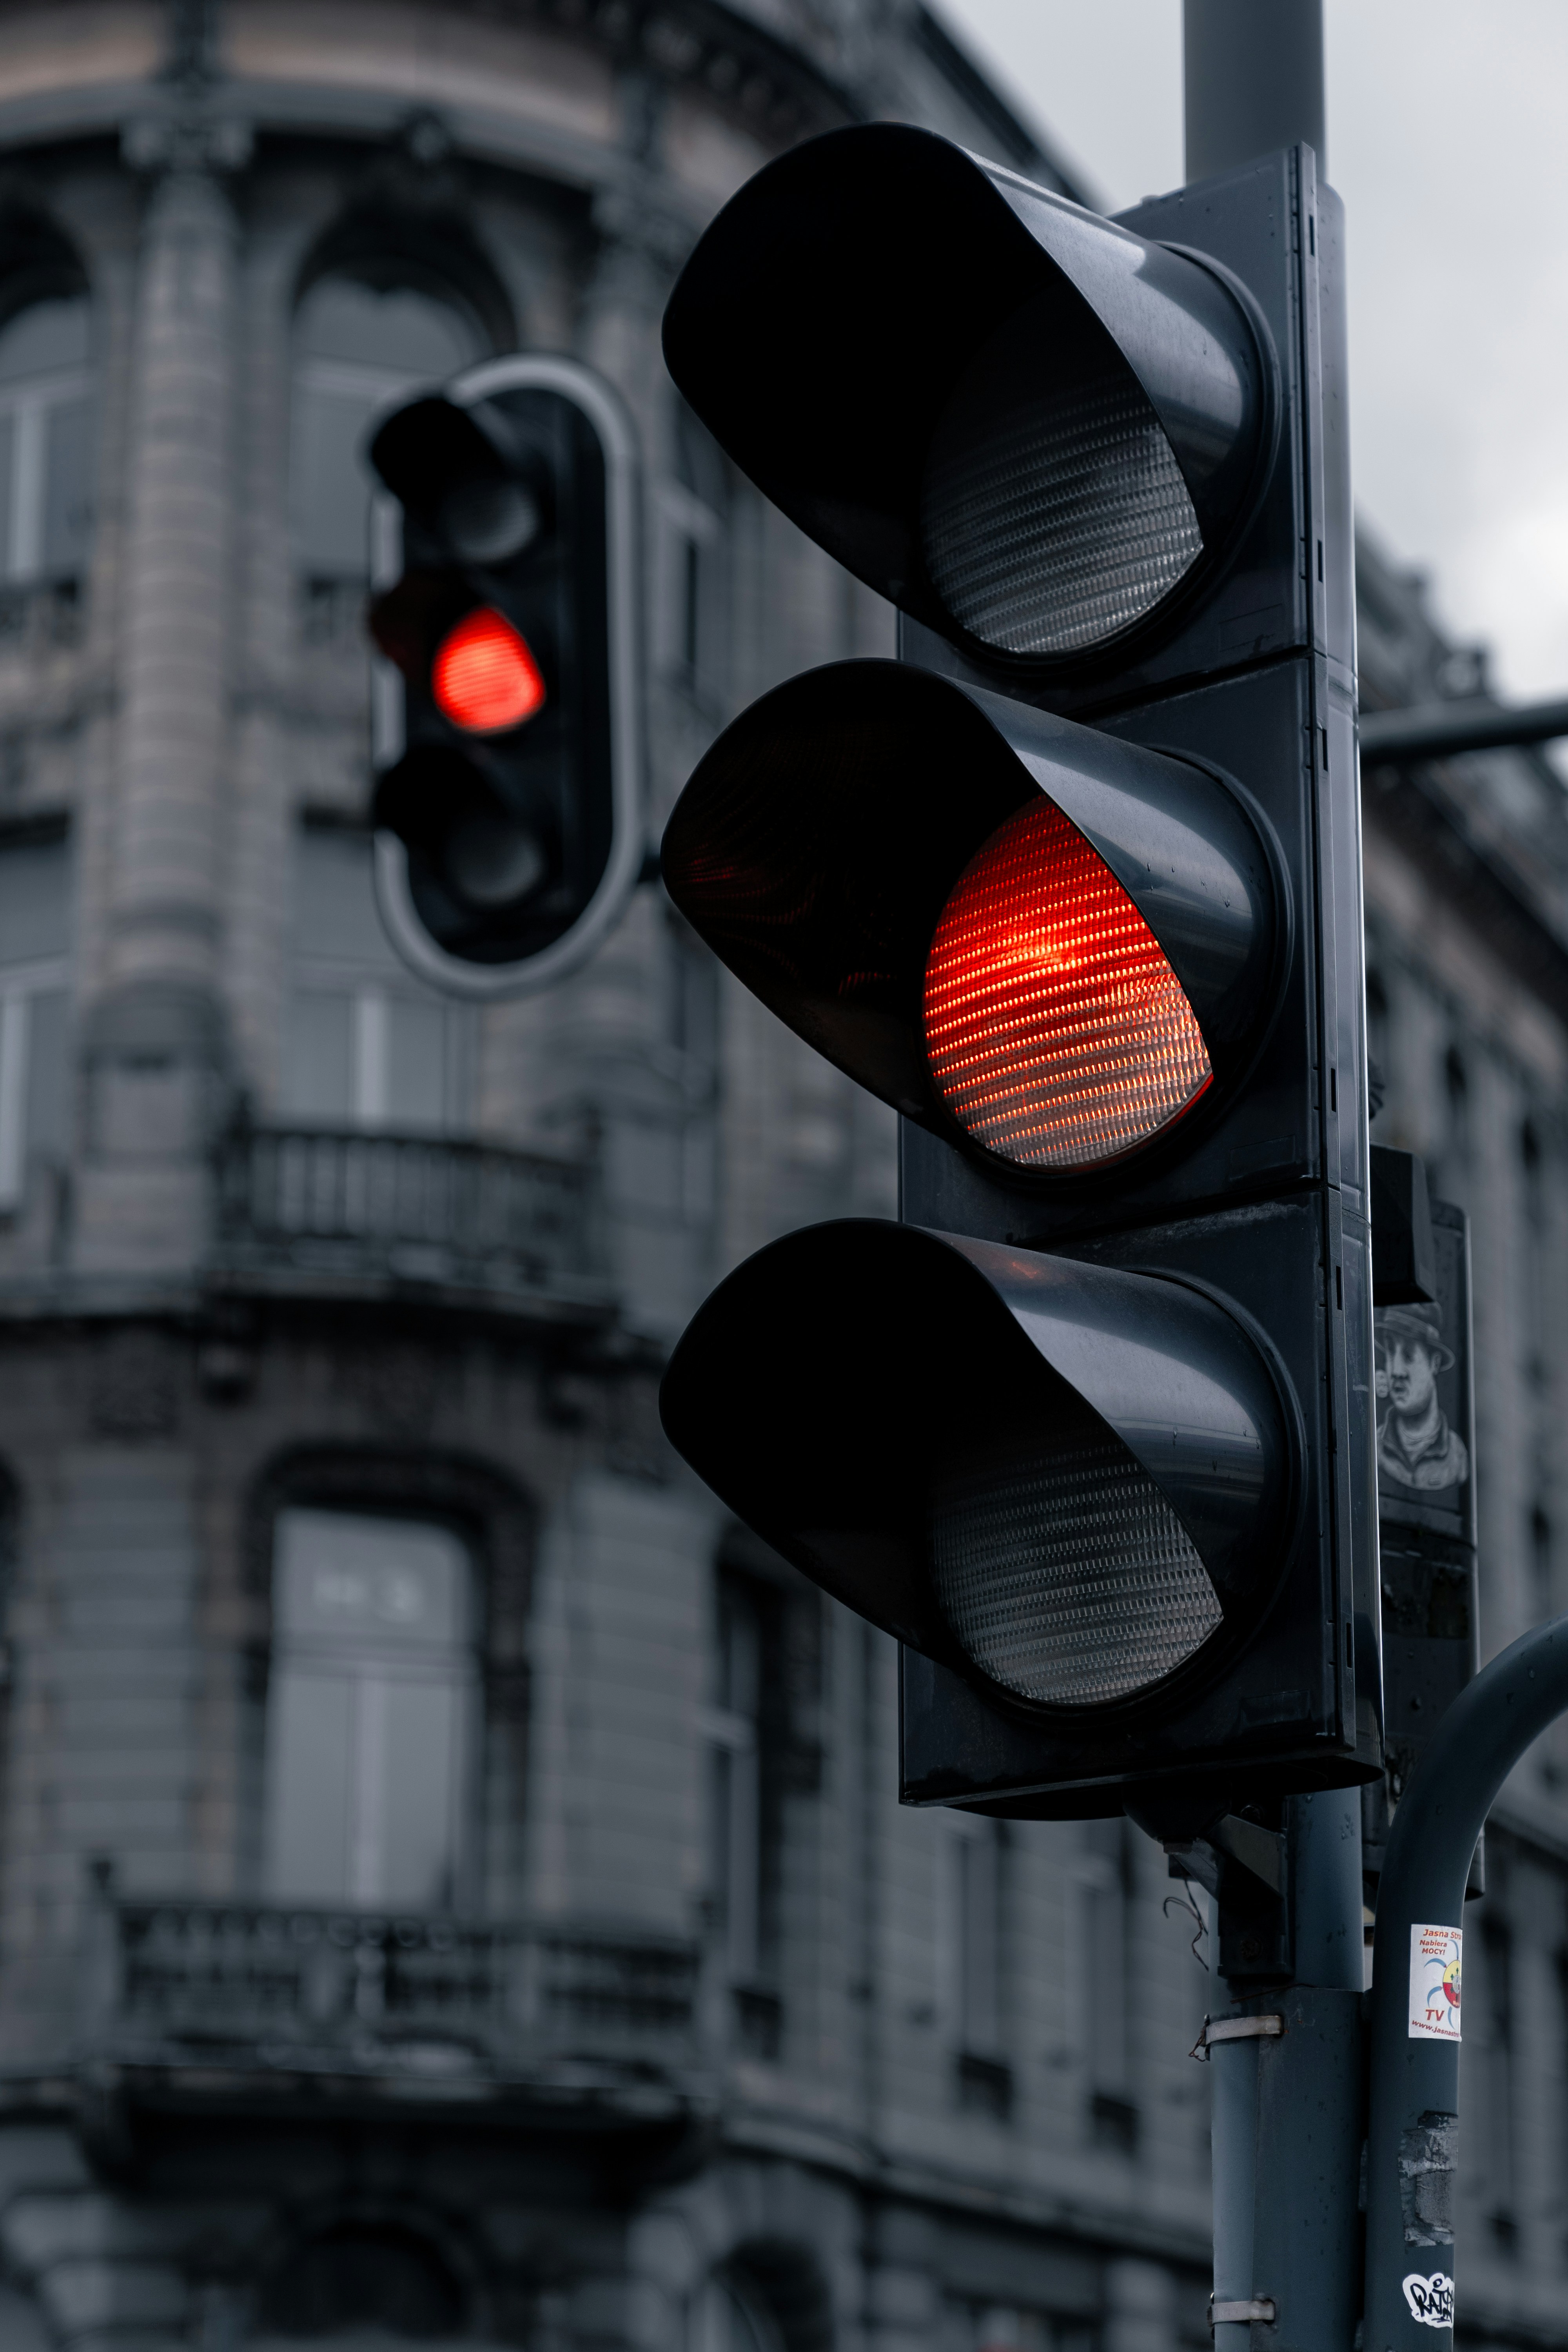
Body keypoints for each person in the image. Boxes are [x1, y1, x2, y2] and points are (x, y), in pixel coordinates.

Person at [1375, 1300, 1468, 1493]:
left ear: (1434, 1363)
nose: (1397, 1371)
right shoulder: (1374, 1446)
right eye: (1391, 1351)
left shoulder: (1457, 1458)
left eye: (1409, 1355)